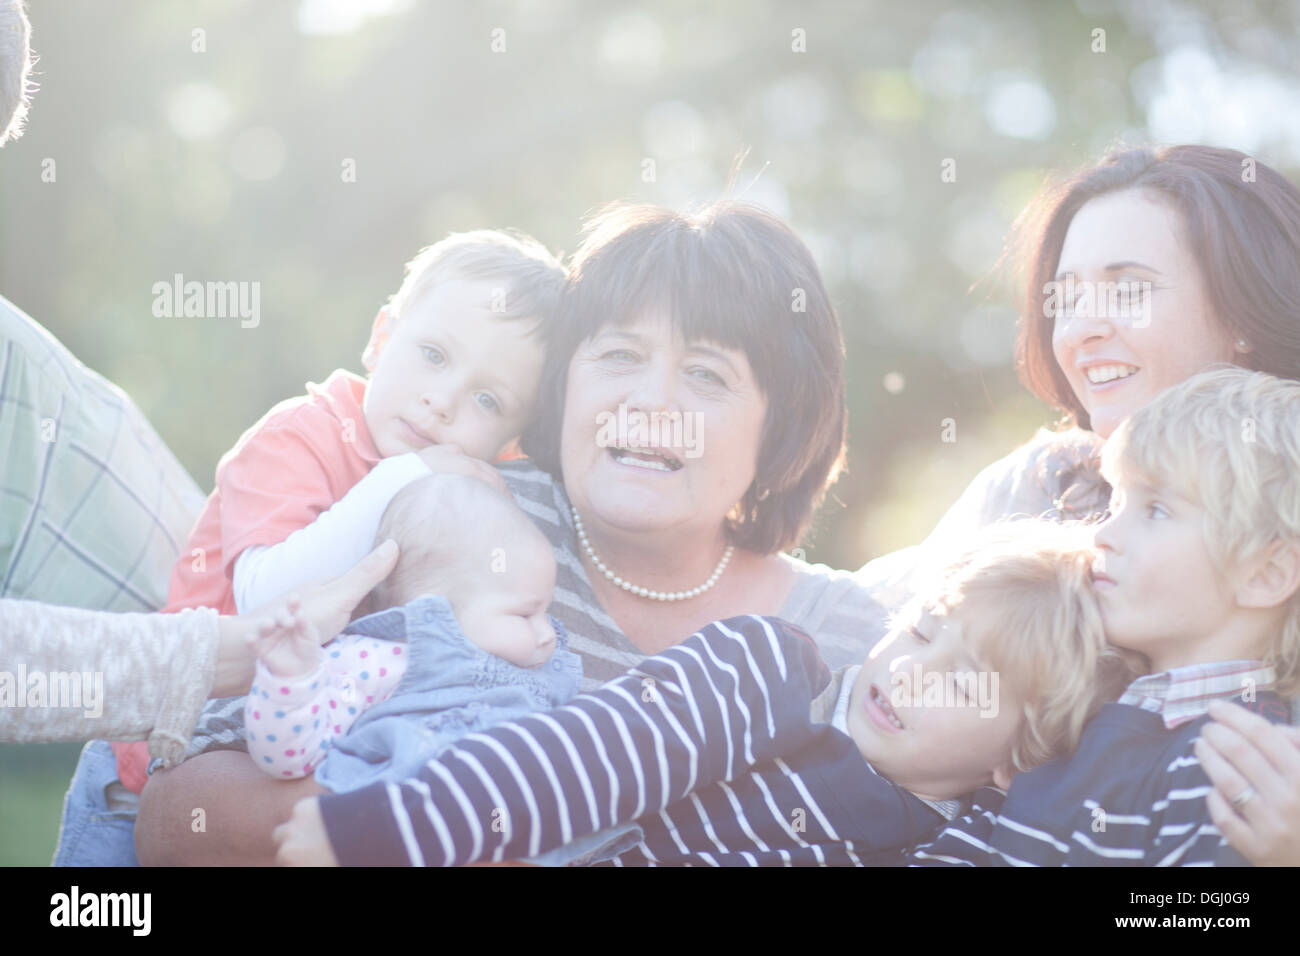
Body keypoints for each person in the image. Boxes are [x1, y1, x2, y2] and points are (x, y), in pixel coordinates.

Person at [135, 200, 880, 865]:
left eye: (708, 375)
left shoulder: (854, 645)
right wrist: (427, 831)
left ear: (781, 426)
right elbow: (180, 811)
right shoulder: (453, 512)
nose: (651, 402)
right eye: (619, 355)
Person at [855, 144, 1300, 865]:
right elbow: (866, 632)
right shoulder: (1040, 482)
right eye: (1065, 299)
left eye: (1128, 290)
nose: (1081, 329)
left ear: (1241, 313)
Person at [272, 519, 1139, 865]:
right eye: (920, 629)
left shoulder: (964, 846)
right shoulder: (768, 674)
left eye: (961, 679)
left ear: (1018, 758)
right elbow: (590, 757)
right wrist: (382, 832)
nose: (907, 669)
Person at [106, 229, 565, 798]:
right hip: (163, 752)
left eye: (487, 400)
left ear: (511, 445)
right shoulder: (299, 436)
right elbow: (268, 607)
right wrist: (403, 478)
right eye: (433, 355)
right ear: (381, 338)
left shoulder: (475, 498)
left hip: (301, 752)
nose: (443, 400)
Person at [909, 368, 1300, 865]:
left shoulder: (1239, 769)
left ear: (1266, 573)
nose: (1102, 534)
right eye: (1115, 502)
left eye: (1156, 510)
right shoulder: (1086, 700)